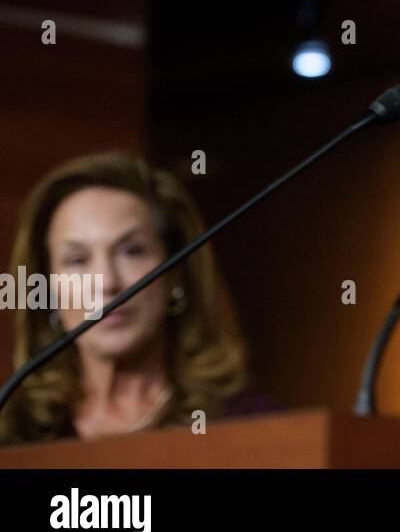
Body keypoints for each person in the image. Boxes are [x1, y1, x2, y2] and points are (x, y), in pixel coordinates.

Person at [0, 152, 279, 445]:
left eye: (131, 251)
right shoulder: (14, 431)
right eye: (78, 260)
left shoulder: (244, 423)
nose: (107, 283)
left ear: (176, 275)